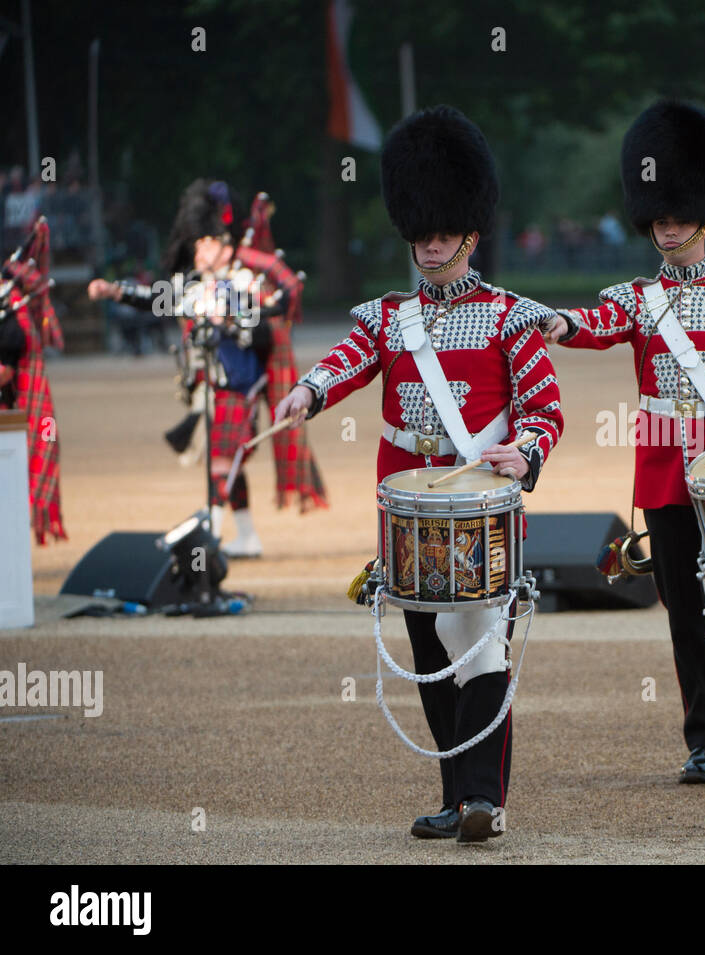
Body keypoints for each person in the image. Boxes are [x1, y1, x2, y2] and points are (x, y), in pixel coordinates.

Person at [275, 106, 563, 843]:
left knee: (483, 648)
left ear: (470, 232)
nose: (431, 246)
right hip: (408, 515)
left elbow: (546, 406)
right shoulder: (384, 317)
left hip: (481, 509)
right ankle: (455, 793)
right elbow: (344, 361)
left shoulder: (507, 317)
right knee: (433, 656)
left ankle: (483, 800)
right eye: (422, 233)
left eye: (442, 233)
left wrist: (525, 450)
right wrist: (308, 392)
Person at [545, 100, 705, 783]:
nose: (667, 227)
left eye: (678, 216)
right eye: (659, 217)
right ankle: (704, 739)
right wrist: (560, 324)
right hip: (663, 472)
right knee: (686, 612)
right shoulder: (638, 298)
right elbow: (596, 320)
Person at [89, 179, 327, 557]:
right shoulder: (195, 286)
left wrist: (233, 317)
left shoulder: (245, 283)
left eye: (204, 242)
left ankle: (210, 539)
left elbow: (273, 318)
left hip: (240, 384)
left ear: (223, 242)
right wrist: (116, 291)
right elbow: (157, 299)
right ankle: (246, 537)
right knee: (227, 462)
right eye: (196, 242)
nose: (197, 249)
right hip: (210, 388)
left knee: (221, 460)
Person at [1, 217, 66, 543]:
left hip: (23, 398)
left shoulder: (12, 310)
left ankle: (32, 511)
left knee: (46, 436)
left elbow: (6, 370)